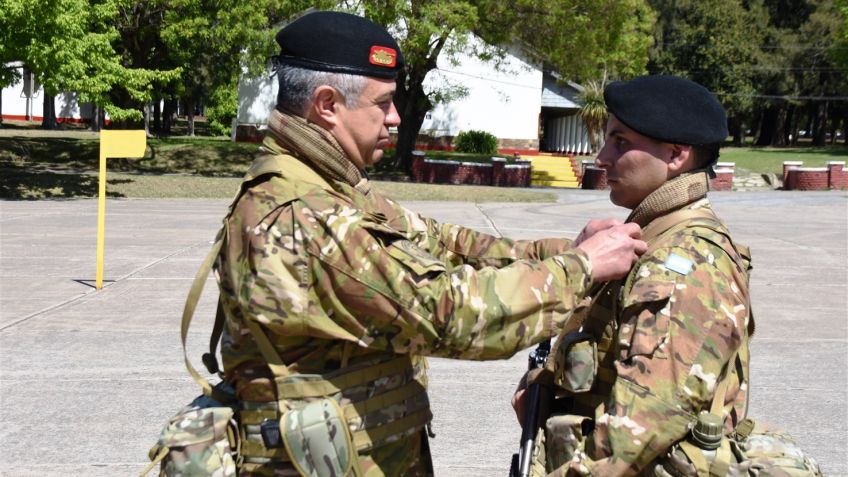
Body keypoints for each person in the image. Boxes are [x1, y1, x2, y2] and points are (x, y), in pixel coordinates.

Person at [211, 10, 646, 477]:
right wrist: (579, 269)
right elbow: (450, 314)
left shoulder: (328, 186)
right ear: (327, 104)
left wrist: (561, 251)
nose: (396, 117)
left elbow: (441, 244)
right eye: (383, 103)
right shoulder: (304, 215)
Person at [512, 75, 754, 476]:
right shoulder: (653, 238)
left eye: (621, 142)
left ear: (677, 155)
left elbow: (636, 432)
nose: (603, 158)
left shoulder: (685, 263)